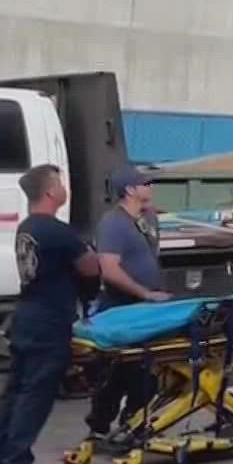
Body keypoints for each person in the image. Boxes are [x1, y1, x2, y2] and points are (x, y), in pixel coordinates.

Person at [0, 164, 100, 464]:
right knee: (35, 396)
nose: (65, 189)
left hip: (27, 316)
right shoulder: (57, 231)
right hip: (49, 322)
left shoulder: (27, 227)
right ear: (50, 192)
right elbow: (90, 267)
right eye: (60, 184)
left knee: (15, 393)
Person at [86, 166, 172, 443]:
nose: (151, 187)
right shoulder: (113, 224)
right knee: (117, 370)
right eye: (146, 183)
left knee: (145, 371)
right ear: (130, 190)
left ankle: (133, 423)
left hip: (148, 309)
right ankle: (99, 425)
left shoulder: (148, 218)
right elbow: (109, 269)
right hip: (122, 307)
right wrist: (144, 293)